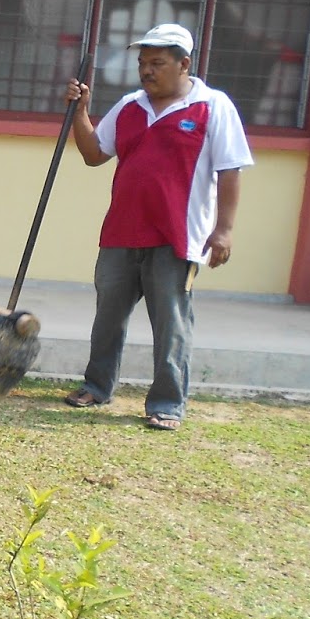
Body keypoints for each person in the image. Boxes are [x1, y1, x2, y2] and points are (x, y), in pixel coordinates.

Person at [61, 23, 253, 431]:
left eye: (157, 63)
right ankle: (96, 386)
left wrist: (224, 229)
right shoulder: (130, 106)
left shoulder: (213, 107)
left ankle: (167, 403)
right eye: (142, 63)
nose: (147, 71)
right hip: (121, 232)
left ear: (184, 64)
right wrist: (80, 112)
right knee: (108, 317)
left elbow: (230, 170)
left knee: (171, 323)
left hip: (177, 237)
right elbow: (94, 154)